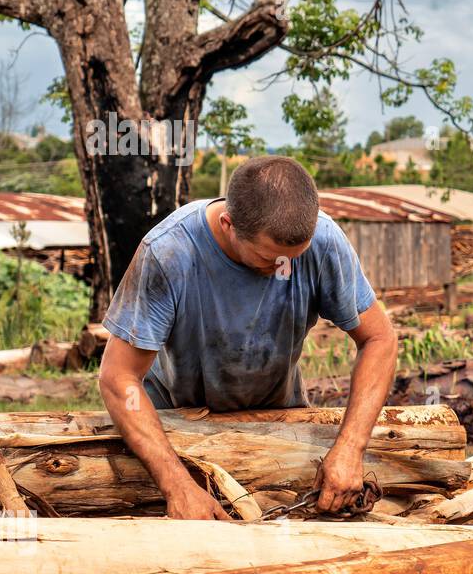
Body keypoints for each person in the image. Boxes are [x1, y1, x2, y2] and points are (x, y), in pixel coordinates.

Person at [98, 156, 398, 520]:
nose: (282, 268)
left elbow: (379, 340)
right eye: (268, 258)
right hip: (175, 427)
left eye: (293, 258)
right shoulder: (168, 253)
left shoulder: (324, 241)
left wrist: (351, 447)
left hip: (277, 423)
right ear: (228, 224)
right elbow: (119, 378)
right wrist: (175, 483)